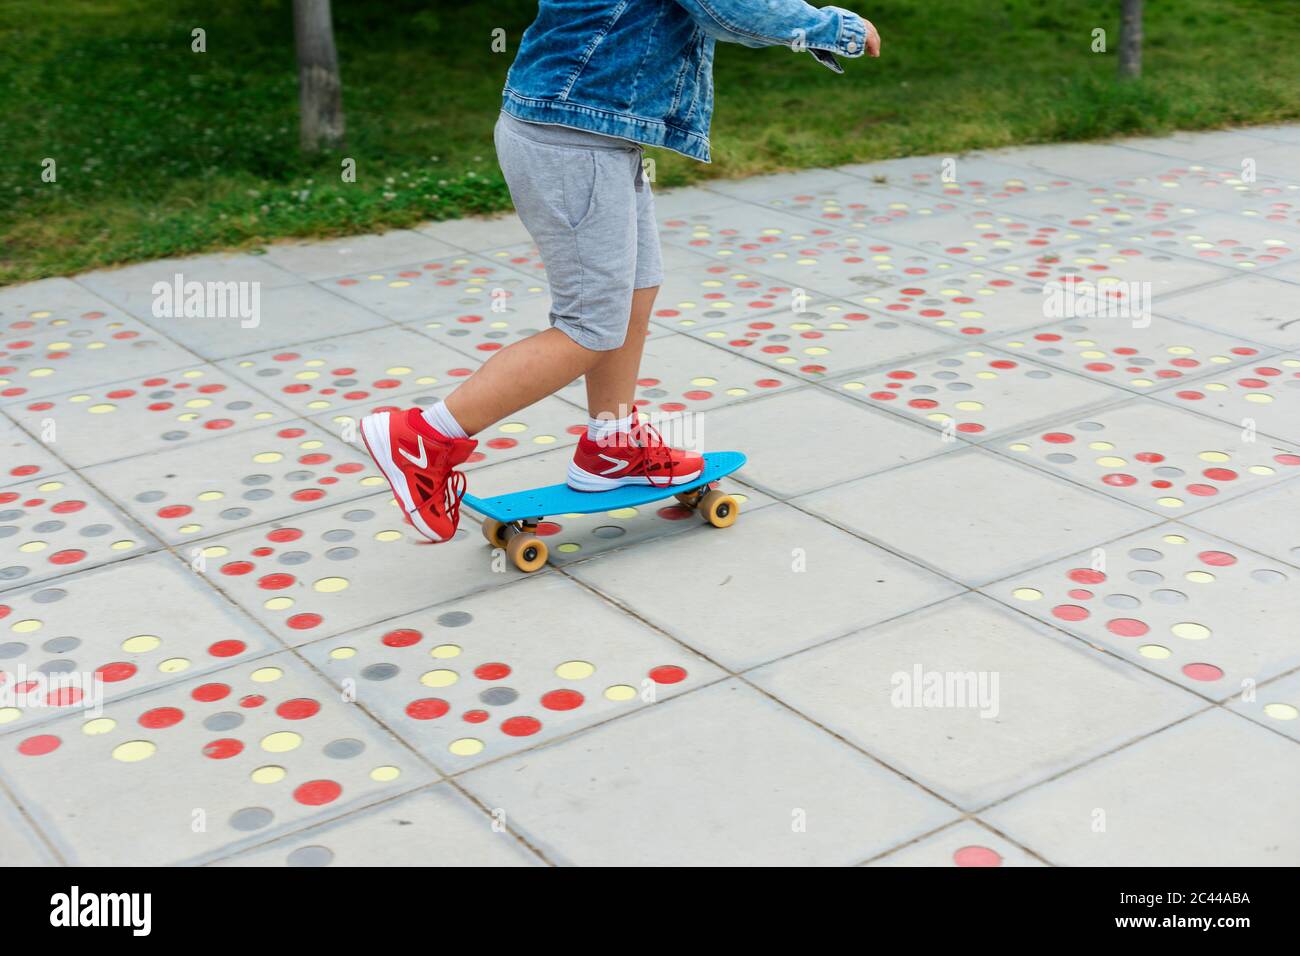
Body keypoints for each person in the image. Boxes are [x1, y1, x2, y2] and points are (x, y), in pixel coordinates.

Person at [361, 0, 881, 542]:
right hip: (571, 136)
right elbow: (727, 9)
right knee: (588, 326)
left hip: (590, 129)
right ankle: (423, 437)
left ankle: (610, 444)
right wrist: (835, 28)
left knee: (637, 287)